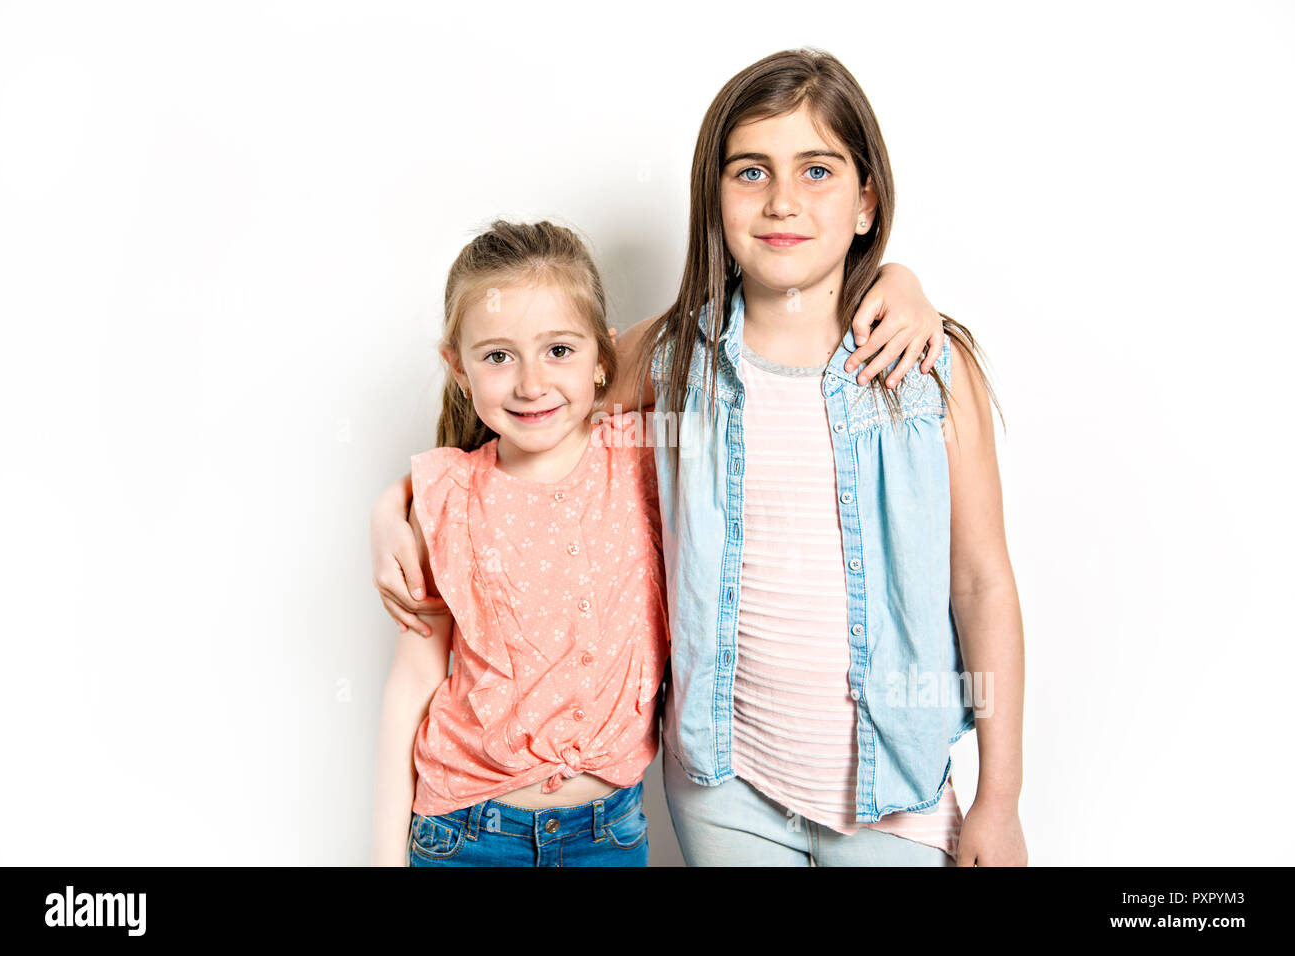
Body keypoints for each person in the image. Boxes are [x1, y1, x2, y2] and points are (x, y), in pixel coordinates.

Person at [606, 47, 1027, 866]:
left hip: (895, 794)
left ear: (867, 202)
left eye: (819, 171)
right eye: (751, 173)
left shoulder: (932, 369)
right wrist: (402, 514)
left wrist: (999, 800)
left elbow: (981, 583)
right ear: (715, 197)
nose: (784, 201)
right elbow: (540, 396)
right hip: (724, 785)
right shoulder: (674, 359)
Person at [370, 219, 667, 867]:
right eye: (498, 356)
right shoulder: (448, 497)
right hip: (465, 834)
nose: (531, 383)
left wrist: (898, 282)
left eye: (559, 349)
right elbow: (414, 678)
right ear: (458, 367)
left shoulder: (643, 454)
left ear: (603, 359)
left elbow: (717, 325)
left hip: (609, 835)